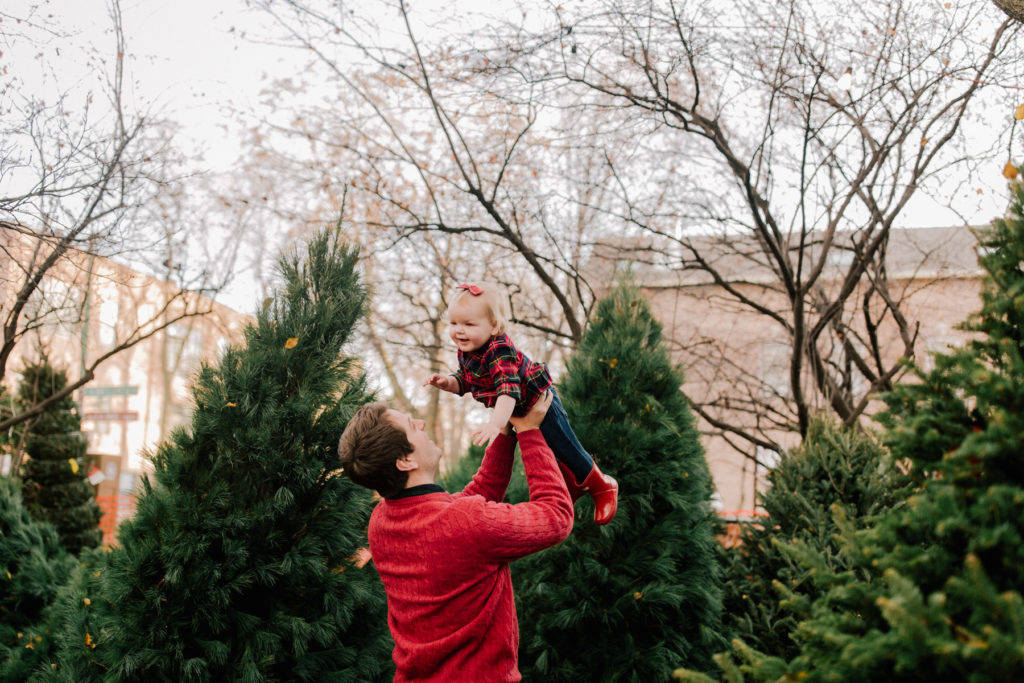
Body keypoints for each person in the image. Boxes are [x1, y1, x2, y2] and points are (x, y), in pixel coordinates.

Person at [337, 391, 573, 683]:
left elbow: (464, 512)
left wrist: (505, 432)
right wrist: (530, 434)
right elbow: (556, 515)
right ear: (405, 460)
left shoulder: (382, 522)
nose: (422, 423)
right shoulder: (462, 522)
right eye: (412, 425)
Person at [423, 281, 618, 525]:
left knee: (565, 446)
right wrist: (447, 382)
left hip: (540, 401)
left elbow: (507, 390)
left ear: (494, 326)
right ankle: (574, 485)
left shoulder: (499, 349)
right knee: (550, 452)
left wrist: (496, 424)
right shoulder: (469, 349)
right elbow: (466, 380)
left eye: (468, 324)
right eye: (453, 324)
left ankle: (603, 486)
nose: (458, 331)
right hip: (518, 409)